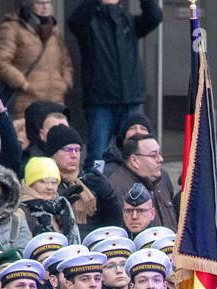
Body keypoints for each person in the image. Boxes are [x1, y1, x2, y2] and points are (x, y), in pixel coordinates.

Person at [68, 0, 163, 169]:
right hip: (100, 101)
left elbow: (154, 16)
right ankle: (94, 190)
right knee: (98, 154)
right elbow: (75, 21)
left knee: (135, 150)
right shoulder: (89, 21)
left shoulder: (127, 20)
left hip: (130, 100)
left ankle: (130, 188)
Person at [0, 0, 74, 121]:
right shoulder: (13, 28)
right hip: (26, 101)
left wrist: (65, 83)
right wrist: (24, 84)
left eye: (48, 3)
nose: (45, 7)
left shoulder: (54, 29)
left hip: (56, 100)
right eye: (40, 3)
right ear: (29, 6)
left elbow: (65, 61)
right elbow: (1, 63)